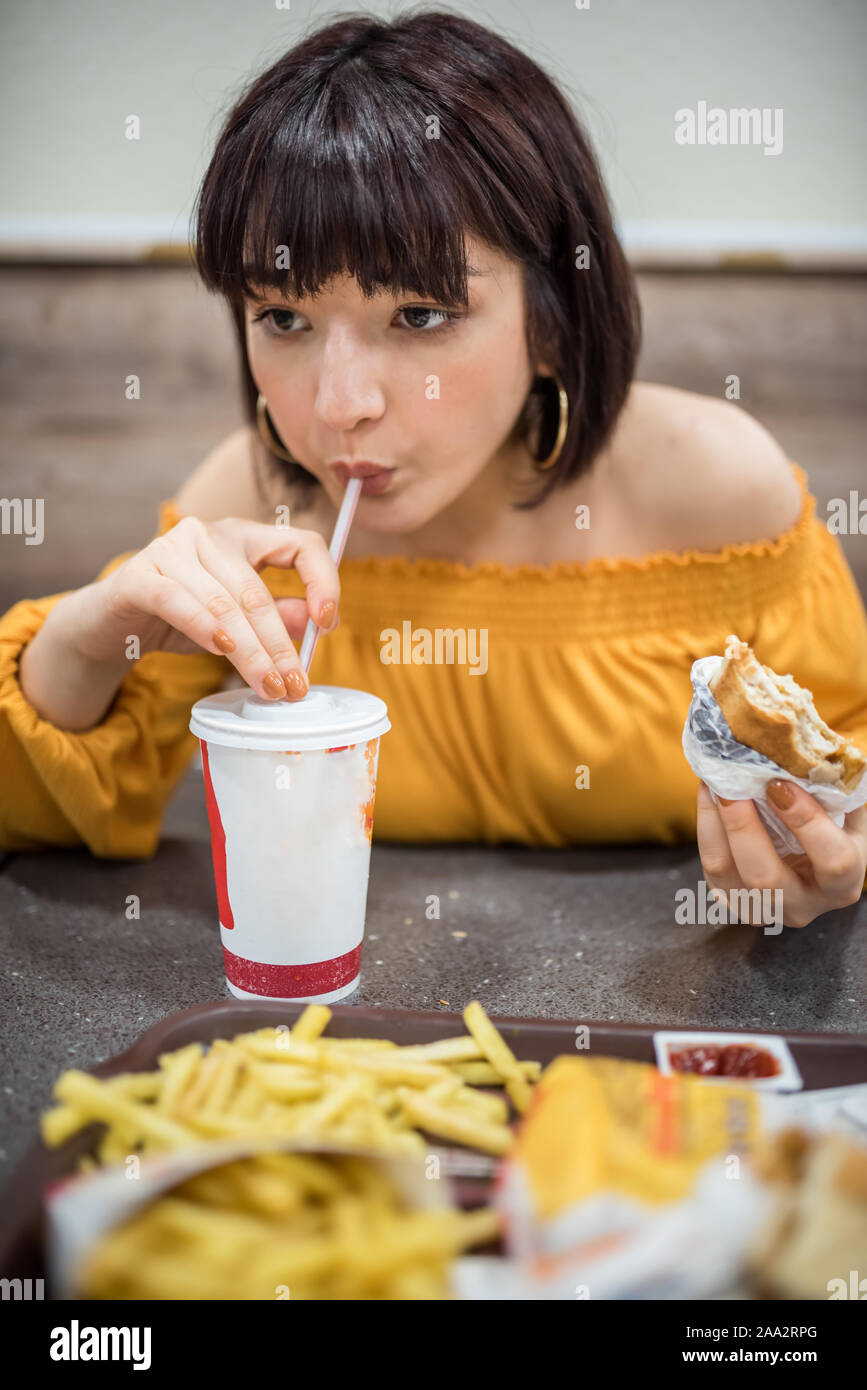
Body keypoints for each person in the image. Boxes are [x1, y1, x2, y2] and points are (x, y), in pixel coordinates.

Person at [2, 11, 866, 928]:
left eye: (418, 314)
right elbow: (45, 821)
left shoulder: (715, 487)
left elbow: (844, 760)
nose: (339, 405)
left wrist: (828, 862)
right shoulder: (246, 512)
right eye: (282, 317)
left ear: (550, 318)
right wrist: (88, 639)